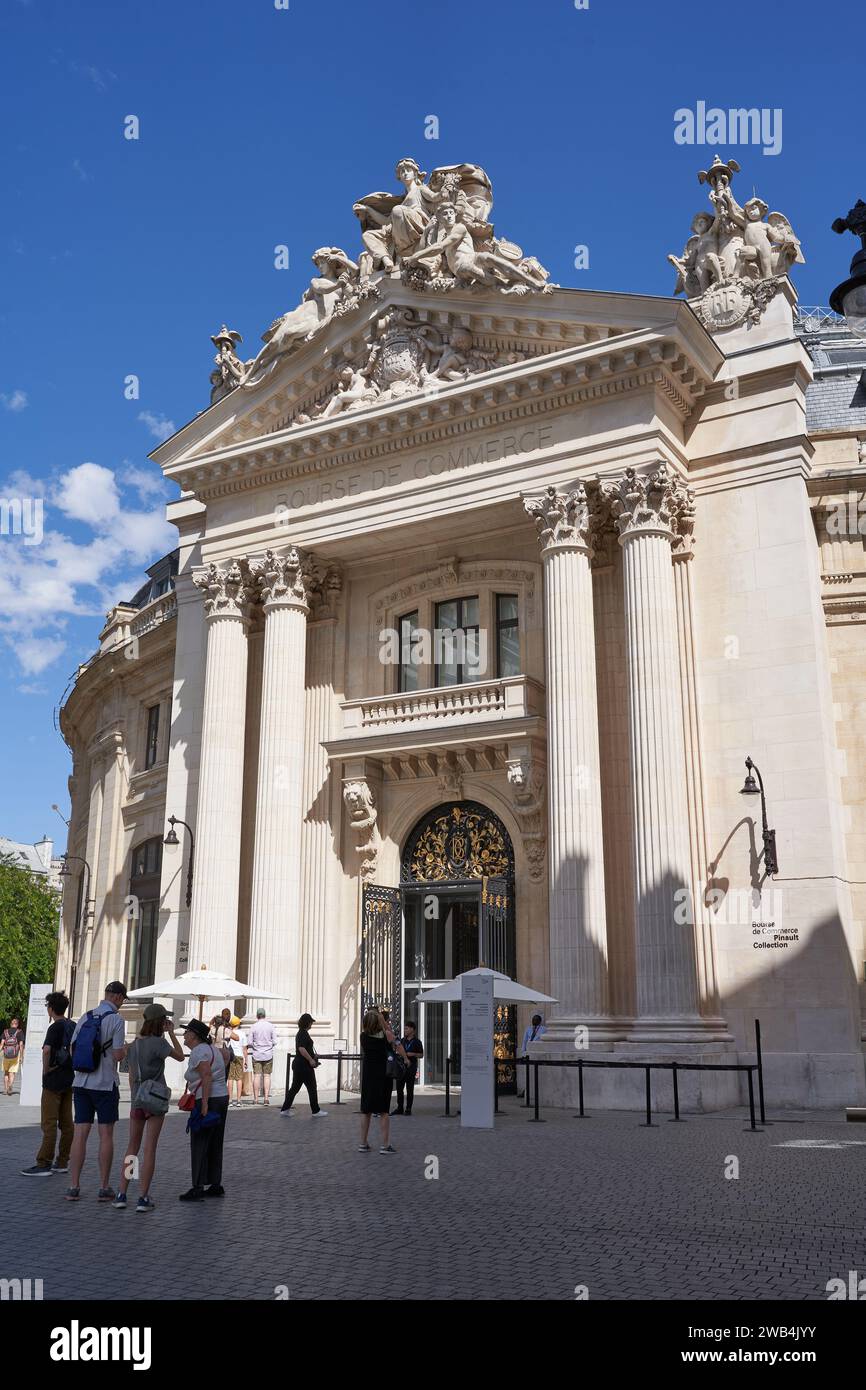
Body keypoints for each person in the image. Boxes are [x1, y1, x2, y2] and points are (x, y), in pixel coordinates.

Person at [113, 1004, 183, 1212]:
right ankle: (143, 1197)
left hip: (138, 1100)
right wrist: (172, 1033)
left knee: (132, 1148)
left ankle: (122, 1193)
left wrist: (136, 1097)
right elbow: (180, 1055)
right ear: (161, 1022)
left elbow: (133, 1075)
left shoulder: (134, 1044)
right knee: (149, 1148)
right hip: (155, 1099)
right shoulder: (159, 1043)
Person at [65, 982, 128, 1202]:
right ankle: (103, 1187)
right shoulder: (116, 1020)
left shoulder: (86, 1016)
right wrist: (126, 1047)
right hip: (105, 1084)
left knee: (80, 1134)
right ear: (118, 998)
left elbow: (73, 1048)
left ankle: (74, 1186)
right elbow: (119, 1055)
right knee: (106, 1135)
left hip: (81, 1082)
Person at [21, 993, 74, 1176]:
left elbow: (46, 1051)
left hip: (53, 1081)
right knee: (67, 1123)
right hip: (69, 1078)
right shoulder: (72, 1025)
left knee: (49, 1123)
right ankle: (62, 1161)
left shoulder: (54, 1028)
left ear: (51, 1008)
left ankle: (44, 1163)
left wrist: (46, 1071)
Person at [178, 1018, 230, 1202]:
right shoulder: (212, 1049)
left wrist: (205, 1104)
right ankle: (215, 1183)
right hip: (222, 1096)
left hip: (207, 1099)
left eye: (186, 1032)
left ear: (193, 1035)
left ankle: (197, 1186)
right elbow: (225, 1055)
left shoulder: (198, 1051)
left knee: (199, 1141)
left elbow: (206, 1075)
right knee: (216, 1141)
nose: (183, 1034)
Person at [359, 1008, 407, 1154]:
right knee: (384, 1111)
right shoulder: (386, 1036)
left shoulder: (363, 1037)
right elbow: (397, 1042)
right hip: (382, 1076)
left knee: (366, 1111)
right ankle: (385, 1145)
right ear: (379, 1022)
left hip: (368, 1076)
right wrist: (384, 1024)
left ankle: (363, 1143)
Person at [281, 1013, 327, 1117]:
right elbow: (301, 1048)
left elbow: (304, 1048)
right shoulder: (303, 1034)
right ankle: (316, 1110)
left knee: (294, 1088)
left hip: (299, 1065)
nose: (312, 1024)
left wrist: (313, 1056)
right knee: (312, 1088)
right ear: (307, 1023)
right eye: (311, 1022)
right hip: (304, 1066)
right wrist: (311, 1060)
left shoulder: (302, 1033)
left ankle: (285, 1109)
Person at [391, 1020, 424, 1116]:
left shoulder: (417, 1042)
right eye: (404, 1028)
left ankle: (408, 1108)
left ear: (412, 1030)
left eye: (407, 1028)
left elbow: (421, 1055)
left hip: (411, 1067)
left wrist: (412, 1054)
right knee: (399, 1088)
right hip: (401, 1067)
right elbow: (396, 1049)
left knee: (410, 1089)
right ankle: (400, 1107)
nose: (405, 1030)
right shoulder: (402, 1040)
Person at [248, 1007, 277, 1105]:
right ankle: (266, 1099)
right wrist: (269, 1045)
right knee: (267, 1076)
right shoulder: (270, 1026)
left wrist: (256, 1046)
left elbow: (249, 1042)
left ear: (257, 1016)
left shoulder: (253, 1026)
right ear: (265, 1015)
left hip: (256, 1054)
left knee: (256, 1076)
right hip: (268, 1053)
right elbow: (275, 1041)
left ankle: (256, 1099)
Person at [518, 1014, 546, 1098]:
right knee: (526, 1074)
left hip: (536, 1052)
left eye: (535, 1020)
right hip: (527, 1053)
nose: (533, 1021)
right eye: (533, 1019)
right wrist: (523, 1052)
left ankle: (530, 1091)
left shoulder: (544, 1029)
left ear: (539, 1021)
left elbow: (543, 1041)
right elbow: (524, 1040)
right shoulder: (528, 1029)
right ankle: (525, 1090)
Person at [226, 1015, 249, 1108]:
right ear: (239, 1024)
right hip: (239, 1056)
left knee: (230, 1078)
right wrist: (246, 1060)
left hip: (231, 1055)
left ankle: (230, 1100)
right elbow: (244, 1049)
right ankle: (239, 1100)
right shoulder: (242, 1034)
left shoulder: (229, 1032)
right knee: (239, 1078)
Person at [2, 1017, 25, 1095]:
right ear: (17, 1024)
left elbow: (2, 1044)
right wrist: (21, 1056)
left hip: (6, 1056)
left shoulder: (5, 1032)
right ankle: (10, 1085)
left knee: (6, 1073)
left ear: (10, 1024)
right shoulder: (19, 1032)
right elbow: (21, 1045)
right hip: (15, 1056)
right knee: (12, 1073)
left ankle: (5, 1089)